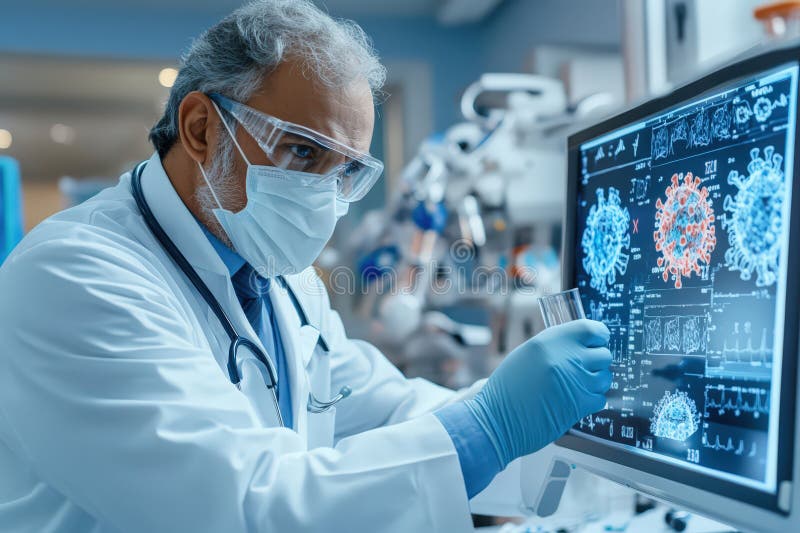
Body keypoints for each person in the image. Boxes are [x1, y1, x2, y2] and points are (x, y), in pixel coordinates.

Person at [0, 1, 612, 531]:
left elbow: (378, 410)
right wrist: (492, 424)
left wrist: (553, 425)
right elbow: (238, 506)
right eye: (301, 150)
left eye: (346, 169)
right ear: (200, 127)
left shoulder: (279, 280)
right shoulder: (75, 277)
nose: (325, 196)